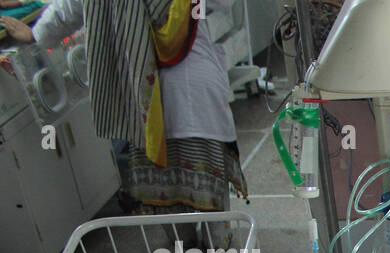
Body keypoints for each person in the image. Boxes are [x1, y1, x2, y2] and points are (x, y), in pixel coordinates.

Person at [0, 0, 247, 218]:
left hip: (146, 95)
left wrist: (36, 33)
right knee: (204, 205)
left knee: (167, 202)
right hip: (174, 91)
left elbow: (71, 8)